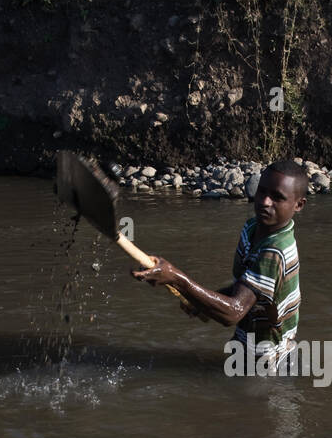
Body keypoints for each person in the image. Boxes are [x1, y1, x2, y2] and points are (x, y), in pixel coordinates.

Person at [131, 159, 306, 373]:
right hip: (248, 351)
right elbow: (246, 289)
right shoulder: (252, 228)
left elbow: (233, 312)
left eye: (277, 197)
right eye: (262, 192)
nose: (265, 202)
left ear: (298, 205)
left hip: (270, 364)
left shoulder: (275, 251)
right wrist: (200, 302)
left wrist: (176, 278)